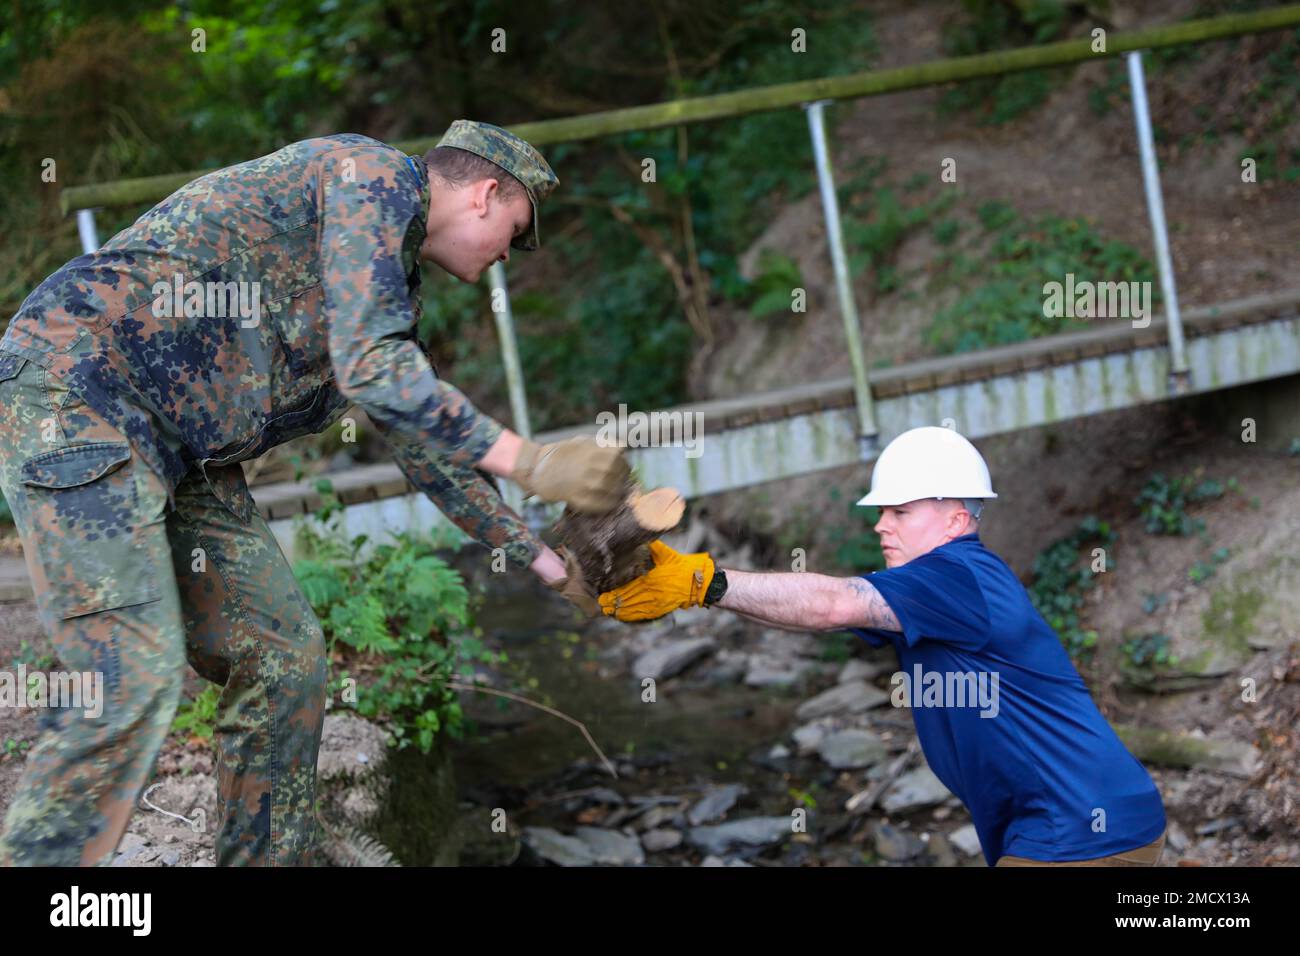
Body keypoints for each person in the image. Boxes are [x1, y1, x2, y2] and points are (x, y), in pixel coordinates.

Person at [0, 119, 625, 866]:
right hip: (79, 397)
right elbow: (371, 368)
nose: (501, 261)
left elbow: (427, 450)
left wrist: (548, 565)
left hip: (178, 451)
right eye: (512, 234)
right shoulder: (373, 175)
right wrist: (530, 460)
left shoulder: (381, 282)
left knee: (283, 654)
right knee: (130, 675)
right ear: (488, 194)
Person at [599, 426, 1167, 867]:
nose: (880, 526)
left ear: (956, 518)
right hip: (1064, 820)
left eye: (900, 511)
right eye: (881, 512)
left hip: (1082, 827)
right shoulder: (931, 592)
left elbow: (833, 603)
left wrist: (703, 582)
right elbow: (811, 615)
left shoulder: (961, 576)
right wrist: (705, 592)